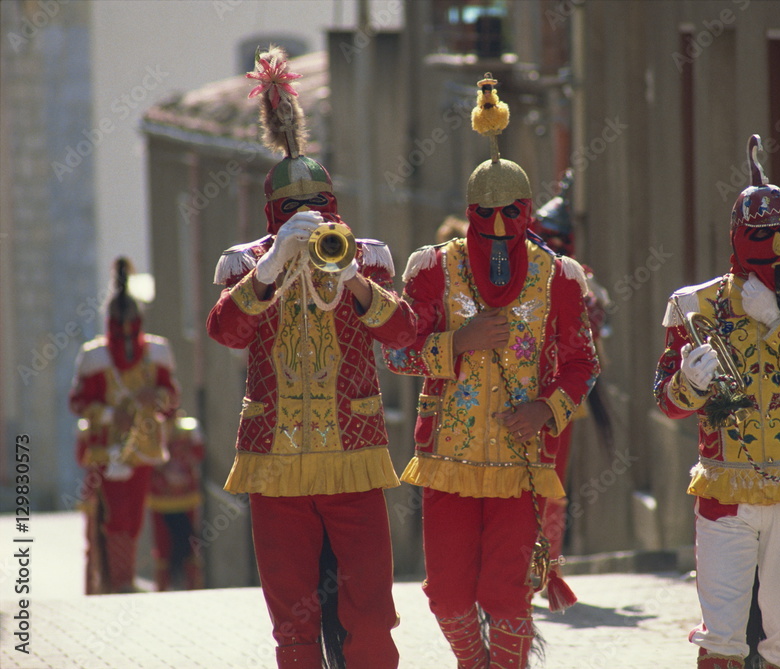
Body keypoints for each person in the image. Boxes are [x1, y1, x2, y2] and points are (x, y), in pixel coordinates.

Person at [206, 46, 416, 669]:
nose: (307, 220)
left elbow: (403, 332)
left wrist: (352, 279)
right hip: (273, 460)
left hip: (355, 455)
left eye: (317, 210)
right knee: (293, 623)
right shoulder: (246, 263)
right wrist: (269, 268)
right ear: (273, 215)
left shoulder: (366, 256)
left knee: (372, 617)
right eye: (292, 213)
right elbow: (225, 333)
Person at [383, 75, 600, 669]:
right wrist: (460, 341)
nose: (501, 227)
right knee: (448, 596)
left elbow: (584, 363)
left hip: (522, 464)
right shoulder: (432, 270)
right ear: (469, 212)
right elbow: (398, 352)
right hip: (445, 464)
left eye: (513, 213)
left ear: (528, 211)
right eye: (487, 214)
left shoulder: (560, 277)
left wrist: (546, 410)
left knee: (506, 597)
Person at [653, 135, 780, 669]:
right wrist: (688, 386)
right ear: (738, 238)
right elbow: (665, 399)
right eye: (763, 236)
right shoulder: (693, 306)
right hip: (724, 489)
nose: (778, 245)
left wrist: (779, 322)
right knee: (720, 639)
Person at [70, 257, 179, 594]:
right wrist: (105, 413)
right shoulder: (94, 356)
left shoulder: (158, 352)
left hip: (143, 447)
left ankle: (124, 578)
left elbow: (172, 399)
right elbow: (77, 402)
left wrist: (156, 395)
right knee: (109, 516)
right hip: (105, 448)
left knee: (133, 516)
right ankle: (114, 582)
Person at [528, 169, 614, 581]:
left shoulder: (576, 282)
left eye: (564, 240)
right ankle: (517, 568)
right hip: (515, 392)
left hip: (561, 398)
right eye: (551, 236)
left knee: (554, 484)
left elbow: (588, 345)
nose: (557, 246)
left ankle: (549, 570)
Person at [148, 409, 205, 591]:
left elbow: (198, 453)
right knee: (163, 545)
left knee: (189, 543)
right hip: (160, 497)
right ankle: (164, 588)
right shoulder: (149, 430)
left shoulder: (188, 428)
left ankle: (191, 586)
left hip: (185, 496)